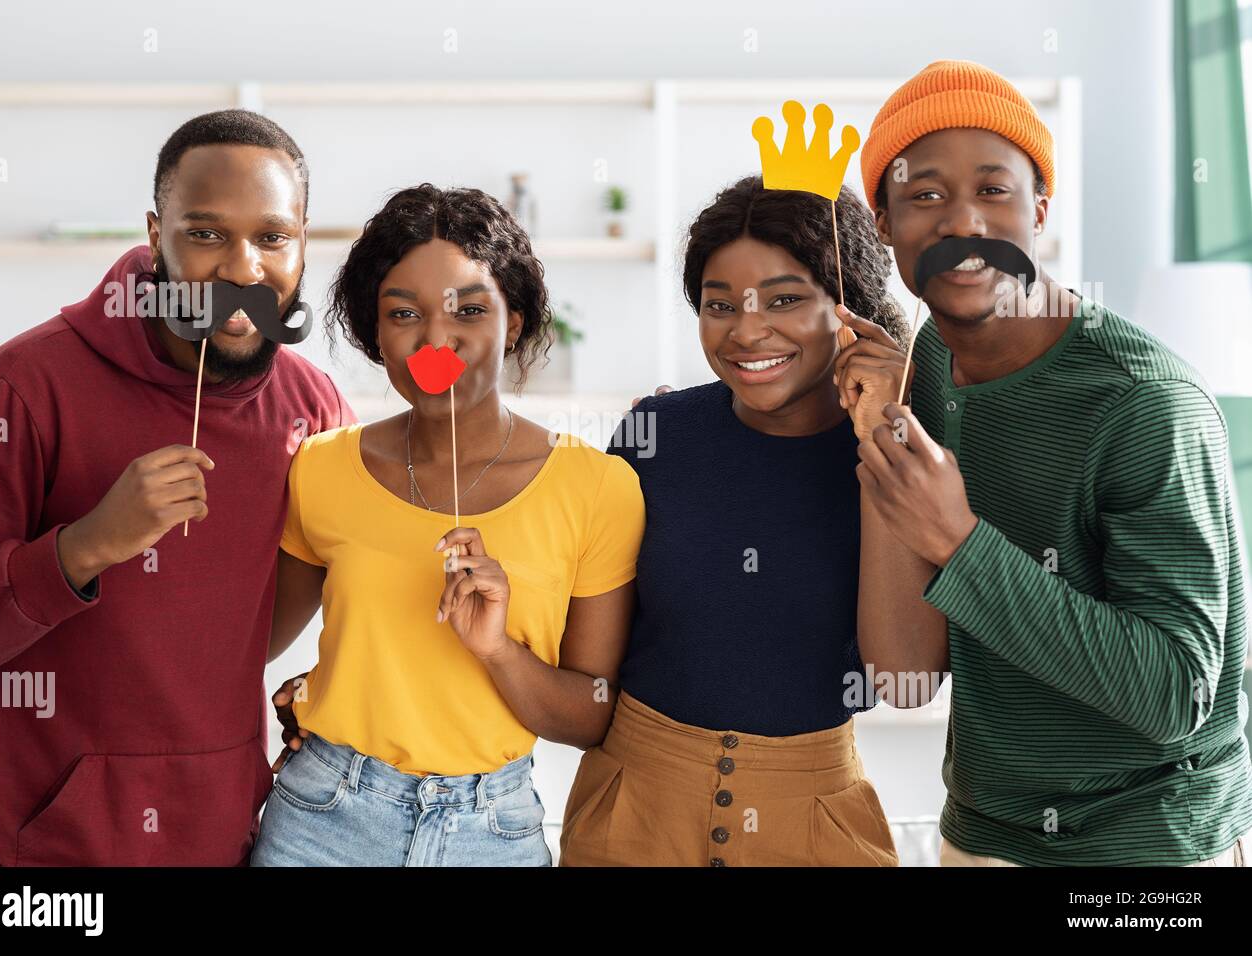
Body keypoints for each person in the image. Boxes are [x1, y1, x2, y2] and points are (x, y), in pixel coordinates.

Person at [857, 59, 1252, 866]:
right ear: (882, 224)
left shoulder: (1145, 405)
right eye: (925, 194)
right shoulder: (927, 363)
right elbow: (902, 680)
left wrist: (961, 542)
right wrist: (880, 432)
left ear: (1041, 209)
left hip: (1148, 853)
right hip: (982, 836)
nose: (962, 221)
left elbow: (1178, 693)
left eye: (994, 190)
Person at [0, 110, 350, 866]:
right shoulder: (20, 388)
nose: (241, 271)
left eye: (271, 237)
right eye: (205, 234)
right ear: (155, 230)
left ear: (302, 240)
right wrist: (86, 546)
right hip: (35, 854)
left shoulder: (315, 409)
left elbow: (284, 610)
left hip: (227, 833)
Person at [558, 176, 947, 867]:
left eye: (784, 299)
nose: (746, 330)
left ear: (849, 307)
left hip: (815, 820)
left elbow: (904, 678)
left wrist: (879, 442)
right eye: (718, 305)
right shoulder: (655, 435)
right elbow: (587, 665)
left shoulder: (910, 453)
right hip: (632, 813)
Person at [255, 184, 645, 867]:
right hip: (324, 819)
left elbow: (591, 715)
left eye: (469, 309)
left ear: (515, 321)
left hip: (492, 831)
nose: (438, 338)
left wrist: (497, 650)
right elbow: (248, 646)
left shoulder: (598, 488)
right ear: (376, 332)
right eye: (404, 312)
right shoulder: (320, 469)